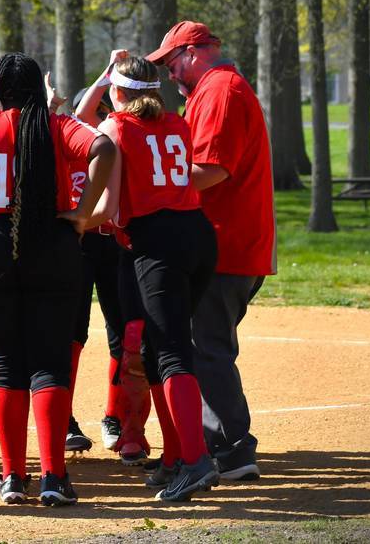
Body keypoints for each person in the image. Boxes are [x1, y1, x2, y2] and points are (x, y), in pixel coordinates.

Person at [0, 53, 116, 507]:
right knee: (50, 364)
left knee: (5, 365)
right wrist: (83, 211)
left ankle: (12, 477)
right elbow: (103, 149)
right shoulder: (54, 124)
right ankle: (54, 475)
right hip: (51, 238)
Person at [77, 51, 220, 501]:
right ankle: (178, 456)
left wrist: (72, 220)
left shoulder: (116, 127)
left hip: (156, 244)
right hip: (197, 236)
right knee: (163, 351)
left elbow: (109, 209)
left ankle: (195, 462)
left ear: (116, 92)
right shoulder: (176, 121)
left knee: (172, 352)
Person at [146, 21, 276, 481]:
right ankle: (221, 445)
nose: (169, 74)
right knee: (205, 346)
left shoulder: (220, 89)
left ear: (195, 52)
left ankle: (233, 450)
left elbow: (210, 170)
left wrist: (152, 189)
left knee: (207, 348)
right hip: (223, 242)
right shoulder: (212, 90)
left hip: (227, 244)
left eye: (172, 63)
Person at [63, 89, 122, 455]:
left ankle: (117, 418)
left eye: (106, 110)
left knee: (124, 332)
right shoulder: (70, 139)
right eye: (97, 109)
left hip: (114, 242)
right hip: (77, 245)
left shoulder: (118, 140)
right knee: (72, 332)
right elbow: (80, 114)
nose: (101, 116)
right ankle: (64, 420)